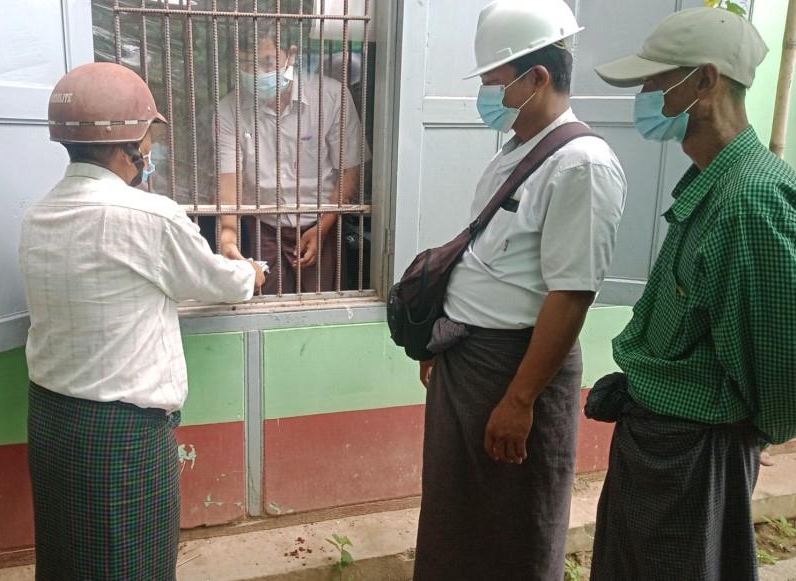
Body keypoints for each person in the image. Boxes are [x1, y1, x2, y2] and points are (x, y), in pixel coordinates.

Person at [19, 62, 265, 580]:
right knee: (135, 564)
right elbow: (215, 281)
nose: (150, 151)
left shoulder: (38, 214)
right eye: (148, 137)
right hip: (122, 432)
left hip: (50, 421)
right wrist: (253, 274)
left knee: (67, 563)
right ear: (129, 145)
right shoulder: (149, 216)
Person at [413, 1, 628, 580]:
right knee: (456, 521)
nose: (486, 94)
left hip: (517, 369)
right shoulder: (518, 151)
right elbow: (493, 266)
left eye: (493, 82)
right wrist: (446, 343)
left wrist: (520, 400)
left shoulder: (581, 165)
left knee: (514, 527)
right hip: (470, 360)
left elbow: (571, 294)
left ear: (537, 79)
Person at [591, 8, 796, 580]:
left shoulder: (750, 202)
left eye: (654, 83)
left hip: (692, 459)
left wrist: (731, 442)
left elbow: (780, 375)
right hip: (660, 449)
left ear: (704, 81)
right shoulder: (714, 185)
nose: (644, 98)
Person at [217, 10, 367, 295]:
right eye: (247, 65)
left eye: (267, 62)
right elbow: (229, 184)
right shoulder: (229, 110)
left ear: (292, 55)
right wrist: (228, 240)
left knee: (322, 306)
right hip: (262, 227)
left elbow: (349, 169)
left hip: (322, 220)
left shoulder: (332, 96)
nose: (257, 74)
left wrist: (324, 226)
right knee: (267, 306)